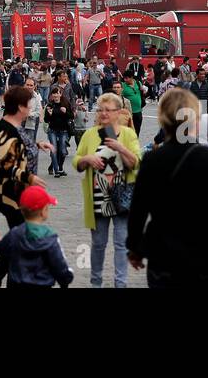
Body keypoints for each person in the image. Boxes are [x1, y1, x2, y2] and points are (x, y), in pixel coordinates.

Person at [127, 88, 208, 288]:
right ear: (196, 121)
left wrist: (134, 247)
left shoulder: (152, 160)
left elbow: (138, 208)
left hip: (164, 258)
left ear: (162, 120)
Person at [73, 91, 141, 288]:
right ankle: (96, 282)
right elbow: (77, 161)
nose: (103, 113)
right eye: (100, 110)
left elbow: (137, 162)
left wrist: (121, 148)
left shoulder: (128, 134)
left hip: (122, 197)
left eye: (108, 110)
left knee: (121, 243)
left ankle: (121, 283)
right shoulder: (90, 134)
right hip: (98, 196)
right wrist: (87, 159)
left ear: (118, 112)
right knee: (98, 244)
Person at [0, 85, 47, 288]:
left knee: (21, 238)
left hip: (18, 192)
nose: (30, 108)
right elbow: (6, 163)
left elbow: (18, 148)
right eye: (28, 104)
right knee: (23, 237)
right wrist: (29, 177)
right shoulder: (4, 129)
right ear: (20, 107)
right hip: (9, 192)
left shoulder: (15, 126)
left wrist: (37, 145)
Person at [0, 185, 73, 288]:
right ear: (43, 211)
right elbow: (59, 265)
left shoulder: (14, 233)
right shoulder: (50, 238)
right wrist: (67, 277)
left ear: (22, 210)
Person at [44, 86, 73, 177]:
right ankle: (56, 171)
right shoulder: (50, 105)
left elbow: (71, 116)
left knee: (63, 151)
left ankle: (60, 168)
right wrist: (49, 115)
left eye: (57, 93)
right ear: (52, 95)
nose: (55, 95)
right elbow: (46, 120)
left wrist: (65, 112)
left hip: (63, 131)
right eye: (54, 93)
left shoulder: (65, 104)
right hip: (52, 131)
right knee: (54, 150)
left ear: (60, 94)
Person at [122, 69, 145, 134]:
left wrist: (143, 91)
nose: (125, 80)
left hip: (138, 112)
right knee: (129, 131)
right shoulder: (123, 85)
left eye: (127, 78)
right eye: (124, 78)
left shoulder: (138, 83)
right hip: (129, 112)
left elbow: (142, 93)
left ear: (131, 77)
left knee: (137, 130)